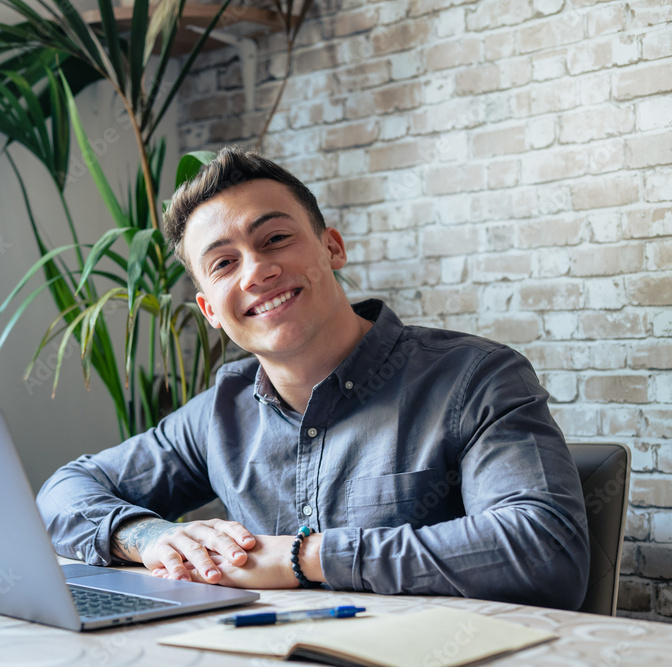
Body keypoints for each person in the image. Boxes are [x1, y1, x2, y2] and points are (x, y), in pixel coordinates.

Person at [36, 147, 590, 609]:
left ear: (332, 246)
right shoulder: (220, 411)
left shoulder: (476, 378)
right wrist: (151, 537)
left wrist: (301, 558)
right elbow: (63, 492)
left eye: (275, 239)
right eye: (224, 263)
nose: (256, 271)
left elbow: (546, 550)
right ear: (209, 309)